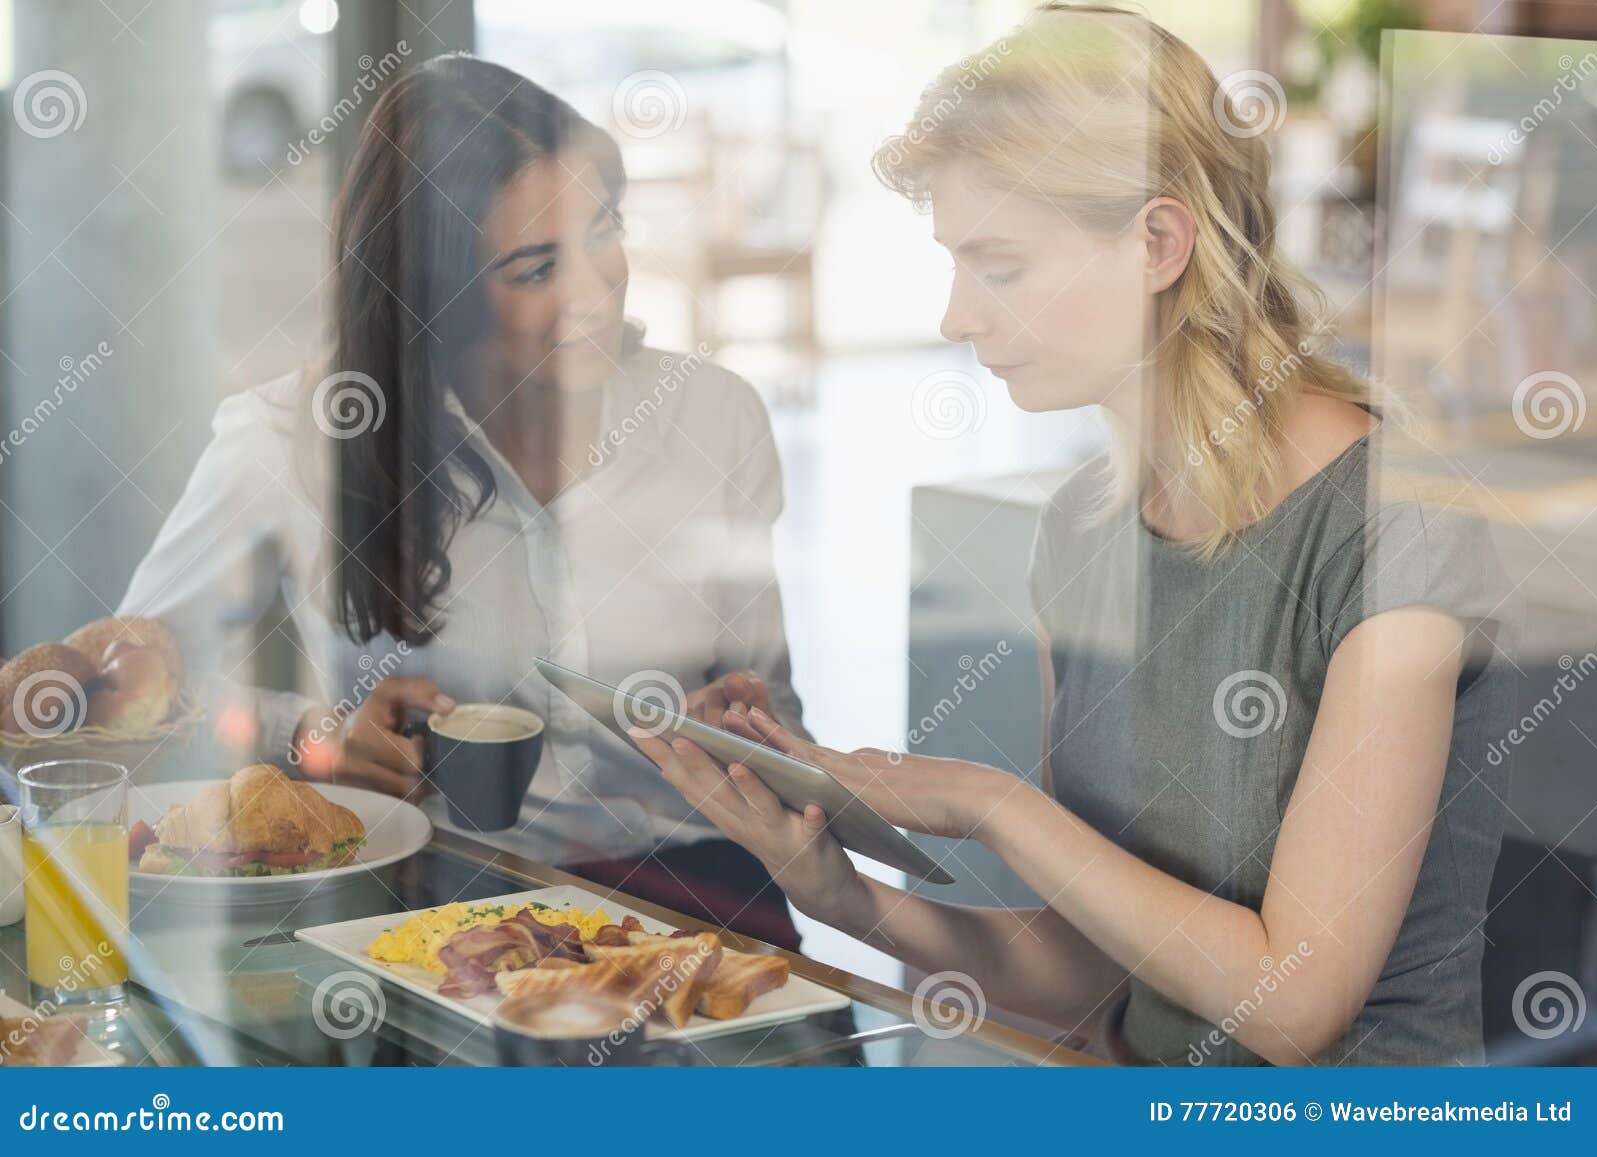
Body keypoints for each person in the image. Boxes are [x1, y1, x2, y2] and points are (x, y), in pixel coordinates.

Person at [630, 3, 1519, 1062]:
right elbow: (1078, 967)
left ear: (1157, 241)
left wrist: (988, 802)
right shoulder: (1084, 530)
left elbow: (1293, 1006)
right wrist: (827, 882)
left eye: (997, 265)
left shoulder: (1396, 528)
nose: (957, 317)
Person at [120, 55, 806, 949]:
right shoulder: (291, 443)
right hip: (436, 912)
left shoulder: (716, 416)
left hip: (699, 898)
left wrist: (748, 737)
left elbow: (782, 721)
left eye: (604, 230)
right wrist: (311, 737)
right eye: (534, 269)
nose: (597, 291)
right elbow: (128, 704)